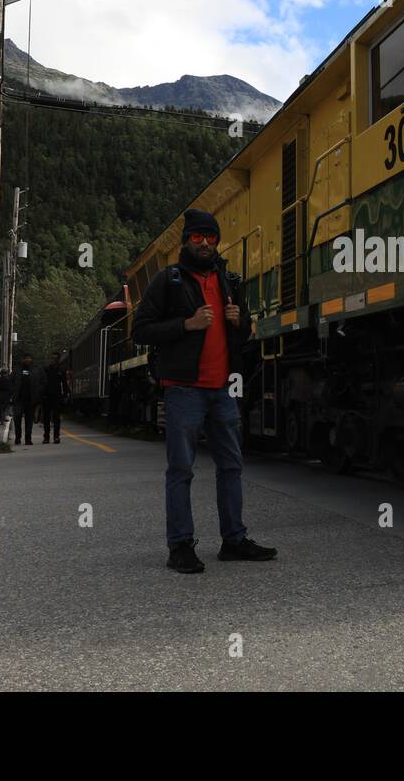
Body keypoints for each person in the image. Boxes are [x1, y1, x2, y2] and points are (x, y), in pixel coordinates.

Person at [132, 207, 275, 573]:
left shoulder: (229, 281)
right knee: (181, 469)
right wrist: (187, 324)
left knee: (231, 466)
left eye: (211, 238)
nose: (206, 243)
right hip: (184, 390)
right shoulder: (170, 280)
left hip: (223, 389)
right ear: (186, 240)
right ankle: (180, 547)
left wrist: (240, 321)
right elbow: (141, 330)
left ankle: (234, 540)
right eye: (198, 237)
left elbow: (242, 334)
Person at [11, 354, 43, 445]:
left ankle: (28, 439)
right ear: (23, 359)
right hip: (19, 399)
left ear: (32, 359)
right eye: (26, 358)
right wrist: (13, 391)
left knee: (29, 420)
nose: (27, 360)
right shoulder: (17, 369)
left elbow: (43, 381)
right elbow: (11, 380)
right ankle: (18, 438)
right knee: (17, 418)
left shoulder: (36, 369)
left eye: (29, 358)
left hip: (30, 399)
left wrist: (38, 391)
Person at [40, 352, 70, 444]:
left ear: (58, 360)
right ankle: (46, 437)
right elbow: (41, 383)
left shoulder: (61, 370)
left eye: (55, 358)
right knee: (46, 418)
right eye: (52, 358)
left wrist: (65, 394)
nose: (53, 360)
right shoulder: (46, 369)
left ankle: (56, 437)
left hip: (57, 396)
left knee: (56, 418)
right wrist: (41, 395)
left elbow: (64, 383)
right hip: (46, 396)